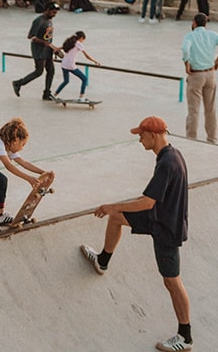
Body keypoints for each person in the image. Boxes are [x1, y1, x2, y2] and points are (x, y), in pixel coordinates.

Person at [81, 116, 192, 352]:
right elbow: (153, 199)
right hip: (159, 217)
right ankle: (102, 261)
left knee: (172, 281)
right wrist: (117, 209)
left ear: (153, 135)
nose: (139, 140)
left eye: (141, 135)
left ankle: (185, 337)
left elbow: (147, 202)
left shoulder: (167, 163)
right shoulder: (172, 154)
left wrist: (111, 205)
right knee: (116, 218)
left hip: (166, 228)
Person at [181, 13, 218, 143]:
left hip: (196, 75)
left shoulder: (190, 36)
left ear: (194, 22)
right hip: (210, 74)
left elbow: (185, 49)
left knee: (194, 110)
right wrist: (217, 62)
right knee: (210, 109)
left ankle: (191, 138)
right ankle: (212, 139)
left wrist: (186, 63)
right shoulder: (213, 35)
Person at [12, 2, 61, 100]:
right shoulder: (39, 21)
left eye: (56, 13)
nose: (54, 15)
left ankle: (47, 93)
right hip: (39, 50)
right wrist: (43, 42)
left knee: (51, 71)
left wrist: (53, 48)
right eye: (53, 12)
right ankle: (18, 83)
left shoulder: (49, 20)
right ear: (47, 10)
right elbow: (31, 36)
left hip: (47, 50)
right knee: (39, 71)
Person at [54, 31, 100, 101]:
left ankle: (55, 95)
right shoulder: (78, 44)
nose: (82, 42)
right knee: (84, 79)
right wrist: (95, 61)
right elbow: (86, 56)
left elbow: (60, 48)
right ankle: (81, 97)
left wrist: (55, 49)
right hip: (70, 65)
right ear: (81, 38)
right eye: (83, 40)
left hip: (64, 64)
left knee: (66, 81)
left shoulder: (70, 42)